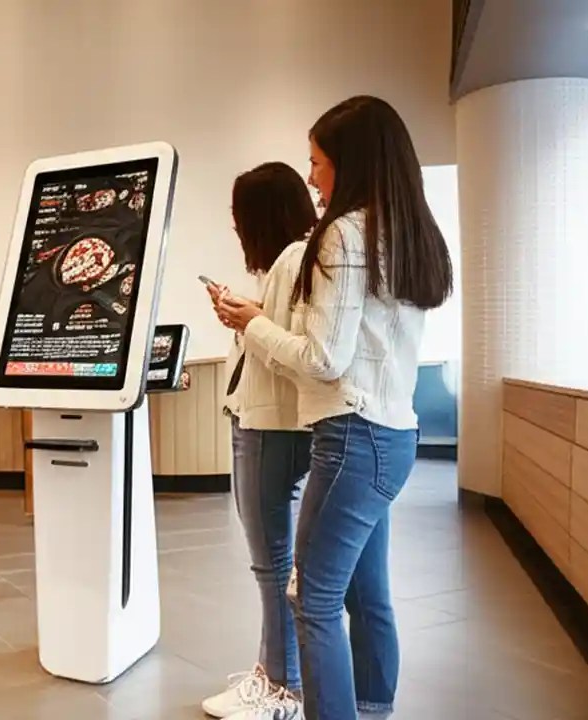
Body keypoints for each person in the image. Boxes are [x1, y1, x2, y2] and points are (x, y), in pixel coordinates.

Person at [216, 96, 453, 720]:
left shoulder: (342, 236)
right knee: (368, 594)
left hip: (349, 436)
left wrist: (255, 326)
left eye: (318, 162)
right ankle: (374, 707)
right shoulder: (407, 234)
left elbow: (324, 359)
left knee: (312, 598)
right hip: (395, 435)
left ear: (349, 163)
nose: (313, 177)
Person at [200, 162, 317, 720]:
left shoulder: (294, 260)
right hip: (281, 424)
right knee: (279, 564)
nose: (235, 229)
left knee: (270, 564)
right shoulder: (300, 260)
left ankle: (280, 687)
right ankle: (278, 678)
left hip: (270, 427)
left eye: (238, 218)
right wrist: (244, 315)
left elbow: (292, 351)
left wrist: (247, 320)